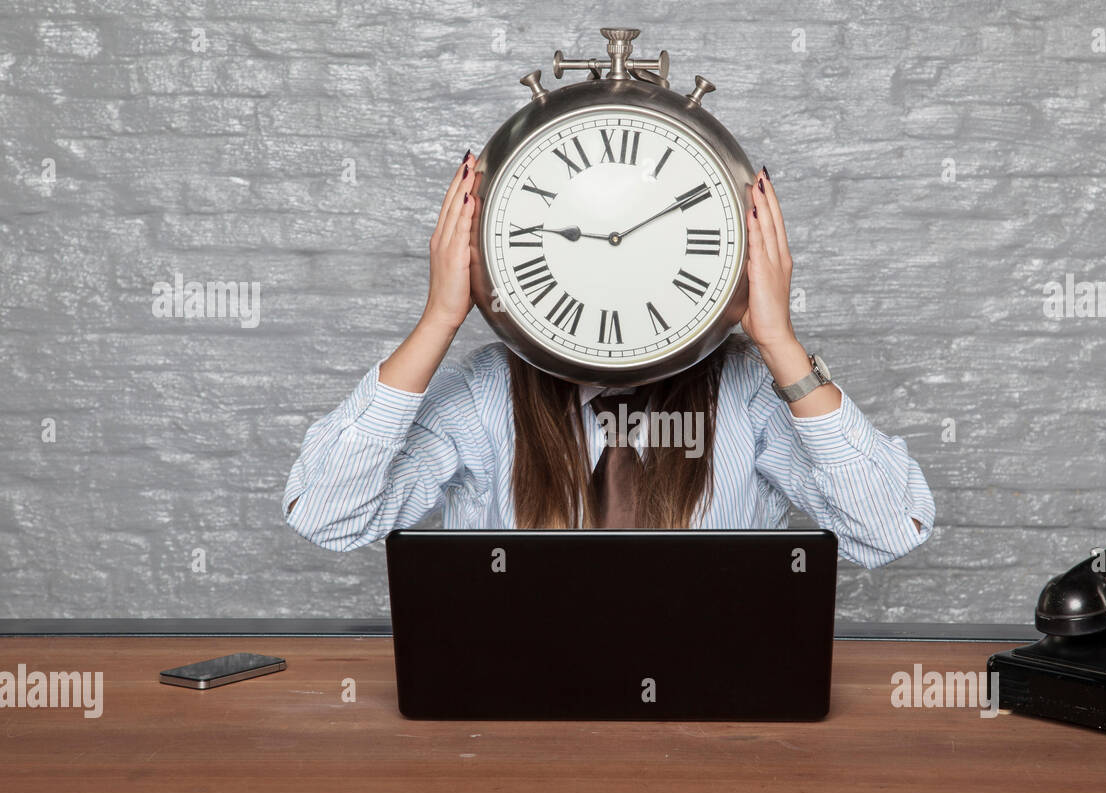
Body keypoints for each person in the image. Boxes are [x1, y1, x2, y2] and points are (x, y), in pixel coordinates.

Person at [283, 154, 936, 568]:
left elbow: (887, 531)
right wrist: (439, 321)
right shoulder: (485, 394)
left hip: (707, 718)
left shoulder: (750, 396)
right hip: (515, 713)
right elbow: (326, 515)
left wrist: (779, 344)